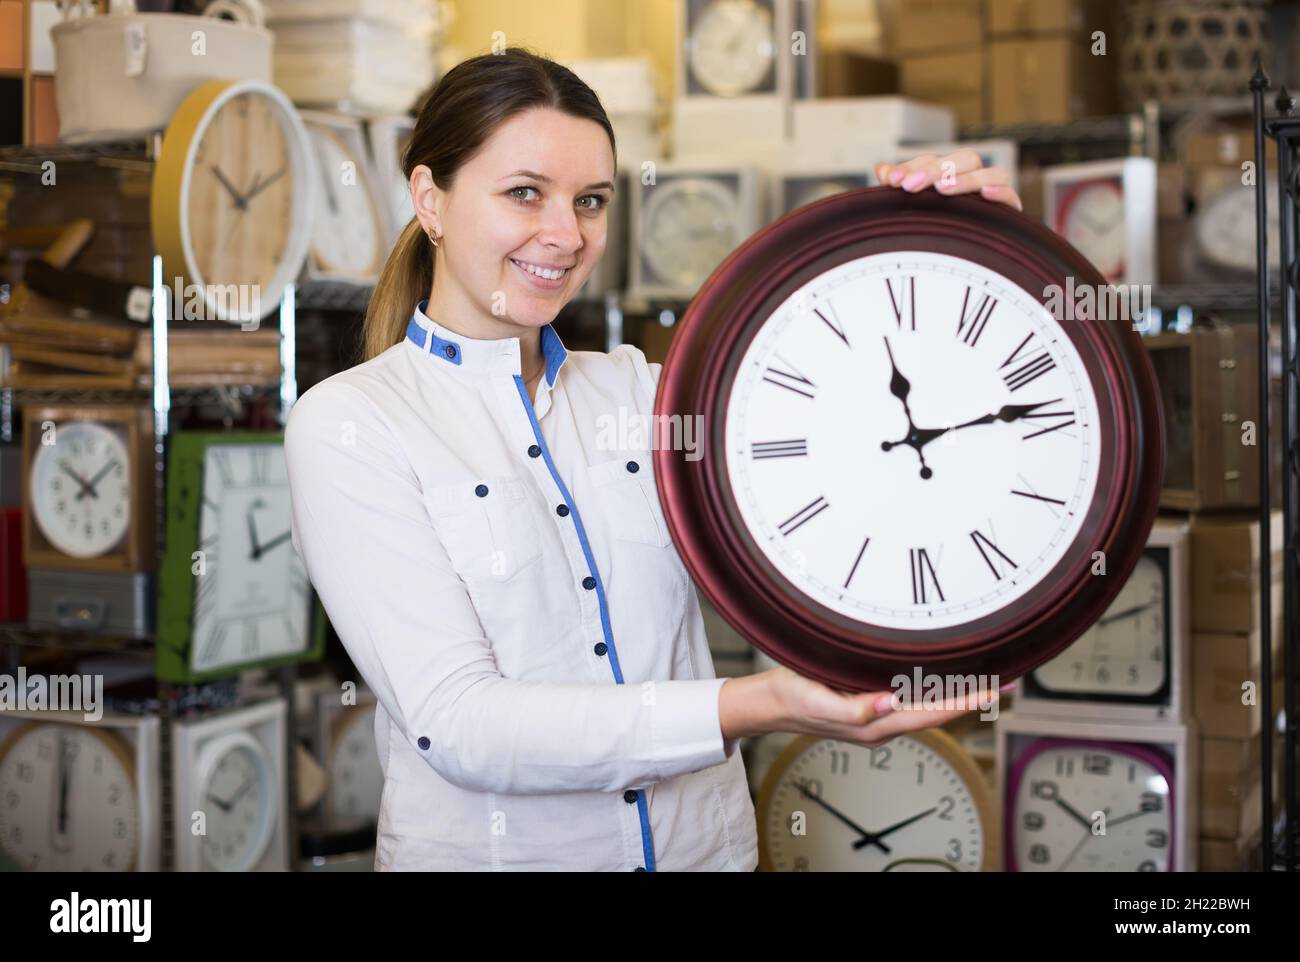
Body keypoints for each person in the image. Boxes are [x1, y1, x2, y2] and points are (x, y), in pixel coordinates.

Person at [284, 47, 1024, 871]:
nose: (565, 235)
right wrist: (749, 705)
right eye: (525, 192)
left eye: (590, 200)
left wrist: (969, 251)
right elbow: (462, 725)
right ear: (430, 198)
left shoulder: (645, 396)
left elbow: (867, 445)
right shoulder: (351, 425)